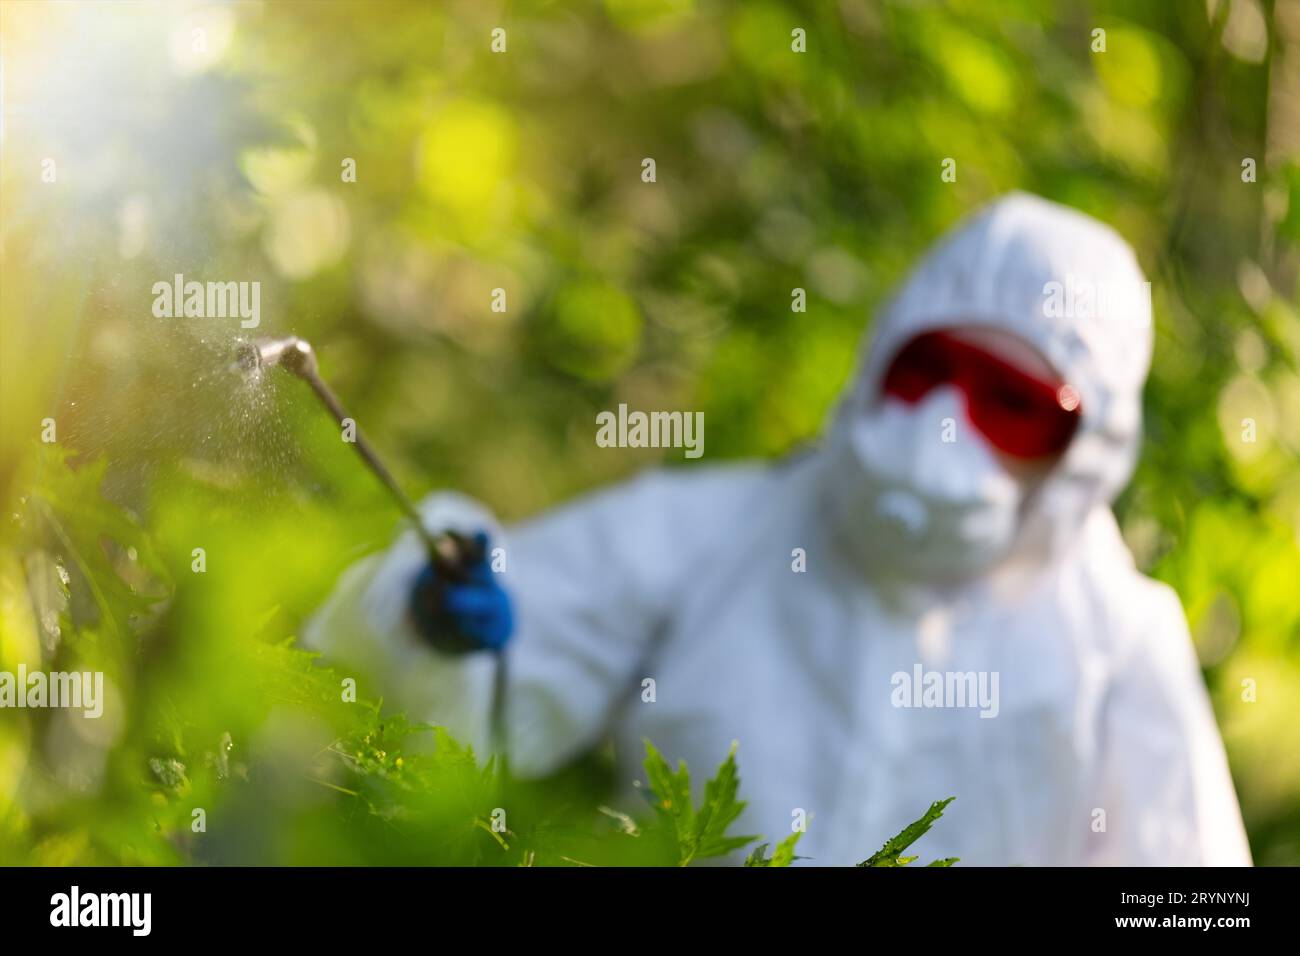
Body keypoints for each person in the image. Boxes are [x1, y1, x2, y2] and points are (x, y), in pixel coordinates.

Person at [303, 193, 1252, 866]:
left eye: (1012, 404)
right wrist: (429, 623)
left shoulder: (1116, 646)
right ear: (883, 358)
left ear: (1085, 447)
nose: (945, 426)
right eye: (928, 371)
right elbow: (478, 687)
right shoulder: (717, 532)